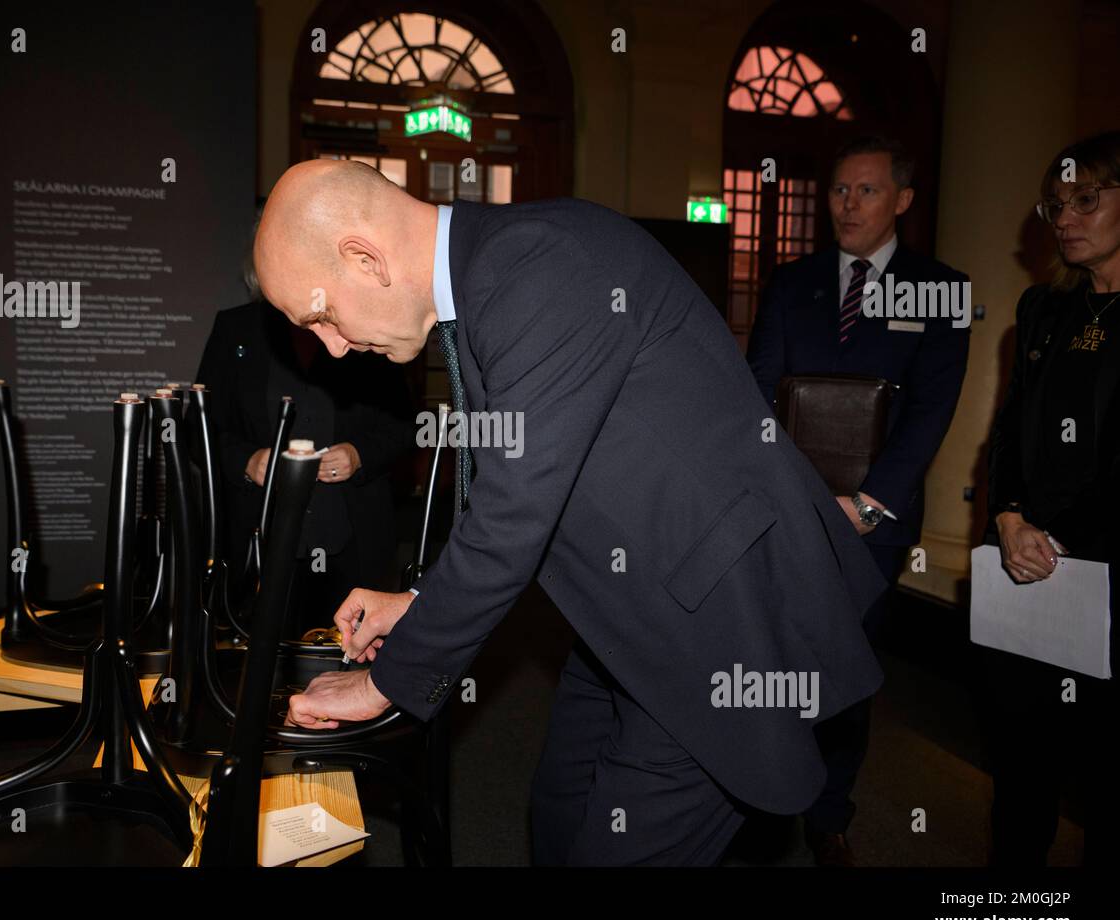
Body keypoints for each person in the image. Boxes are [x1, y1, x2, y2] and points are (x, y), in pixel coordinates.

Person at [254, 159, 886, 866]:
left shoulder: (538, 265)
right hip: (630, 605)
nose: (335, 346)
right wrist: (421, 601)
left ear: (364, 258)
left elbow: (513, 515)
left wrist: (384, 682)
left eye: (321, 316)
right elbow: (528, 491)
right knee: (562, 811)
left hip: (717, 623)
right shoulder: (492, 274)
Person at [747, 135, 971, 865]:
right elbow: (757, 397)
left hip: (874, 522)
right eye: (840, 190)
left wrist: (870, 503)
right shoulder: (791, 282)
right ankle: (767, 798)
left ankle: (828, 810)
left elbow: (932, 413)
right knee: (774, 659)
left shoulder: (942, 290)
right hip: (787, 510)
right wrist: (783, 496)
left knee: (841, 666)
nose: (847, 204)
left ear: (902, 199)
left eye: (867, 191)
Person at [983, 129, 1120, 866]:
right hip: (1027, 573)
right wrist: (1007, 518)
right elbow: (1006, 433)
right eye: (1055, 203)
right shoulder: (1042, 311)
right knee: (1021, 777)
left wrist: (1062, 543)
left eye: (1087, 200)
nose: (1064, 218)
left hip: (1103, 578)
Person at [191, 272, 414, 635]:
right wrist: (248, 461)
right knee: (258, 667)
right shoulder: (235, 328)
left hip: (353, 545)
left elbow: (404, 425)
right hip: (260, 545)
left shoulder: (366, 324)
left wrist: (360, 455)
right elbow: (197, 430)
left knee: (352, 662)